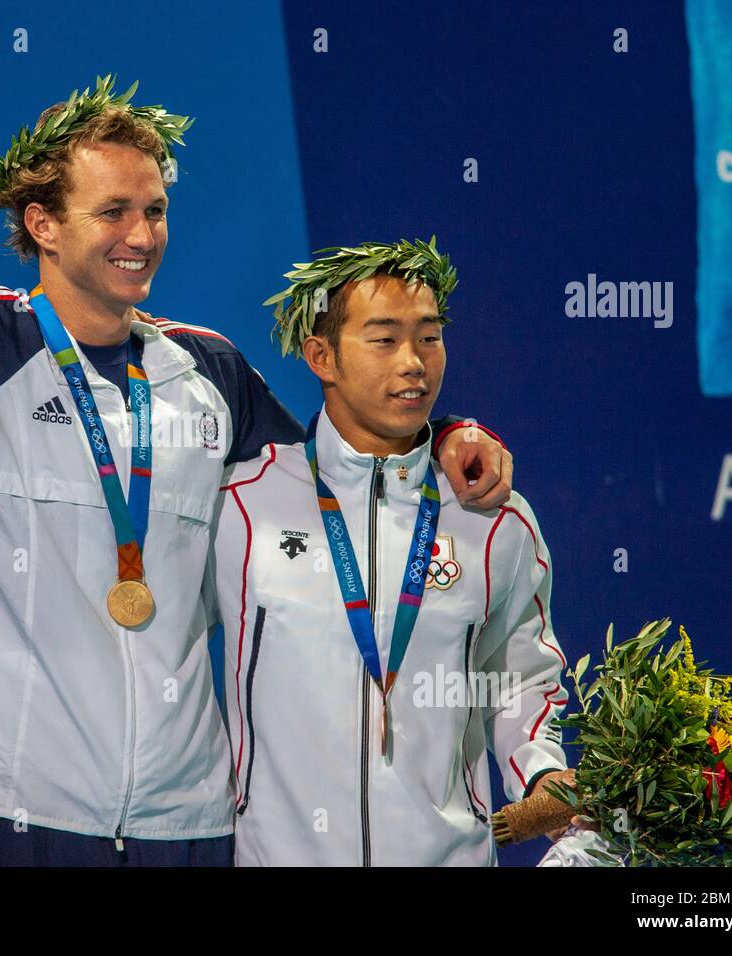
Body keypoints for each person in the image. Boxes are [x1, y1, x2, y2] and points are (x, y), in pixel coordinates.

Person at [0, 80, 515, 866]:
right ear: (43, 224)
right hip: (13, 814)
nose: (142, 235)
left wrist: (444, 433)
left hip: (189, 818)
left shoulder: (208, 373)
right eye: (113, 211)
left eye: (155, 209)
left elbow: (333, 478)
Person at [214, 239, 577, 865]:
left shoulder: (493, 517)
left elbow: (520, 681)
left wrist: (544, 776)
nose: (414, 363)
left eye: (429, 338)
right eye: (383, 339)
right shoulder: (240, 505)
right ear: (321, 355)